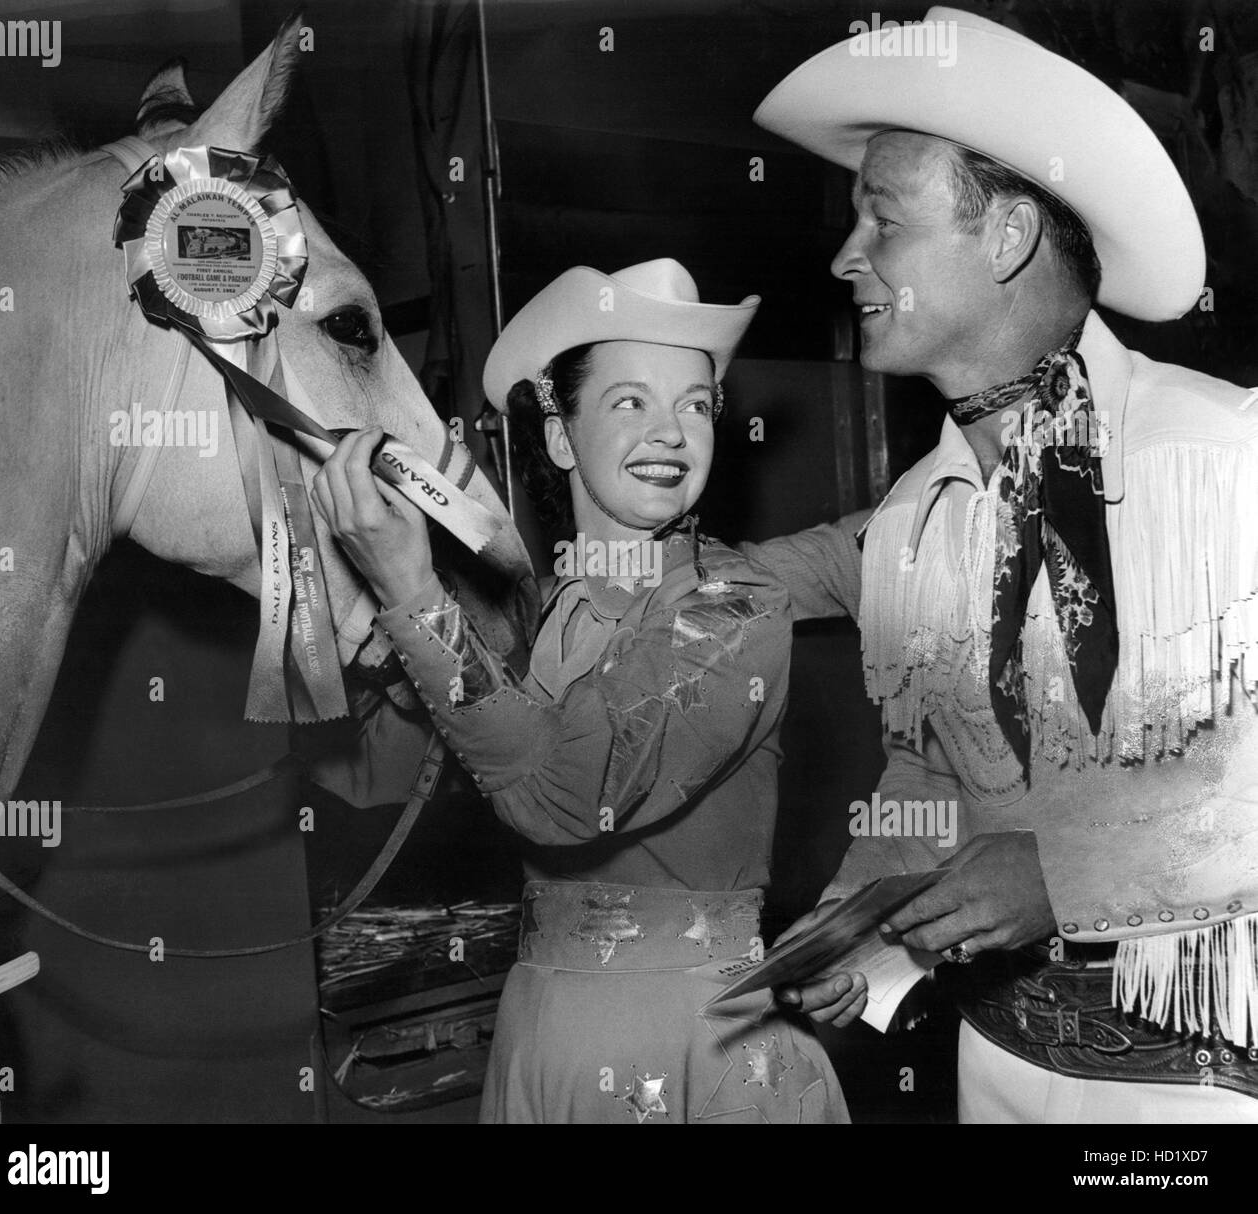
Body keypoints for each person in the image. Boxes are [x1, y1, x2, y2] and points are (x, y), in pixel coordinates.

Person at [738, 7, 1258, 1122]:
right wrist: (861, 930)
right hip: (997, 1063)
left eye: (883, 218)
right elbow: (928, 776)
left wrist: (1062, 876)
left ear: (1009, 233)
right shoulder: (915, 518)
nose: (846, 256)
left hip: (1198, 1086)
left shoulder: (1220, 454)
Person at [311, 258, 850, 1124]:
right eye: (631, 401)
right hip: (543, 1032)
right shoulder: (536, 611)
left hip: (699, 1049)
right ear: (561, 438)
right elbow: (367, 780)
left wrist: (414, 598)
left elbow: (562, 796)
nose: (672, 433)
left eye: (697, 405)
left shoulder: (736, 609)